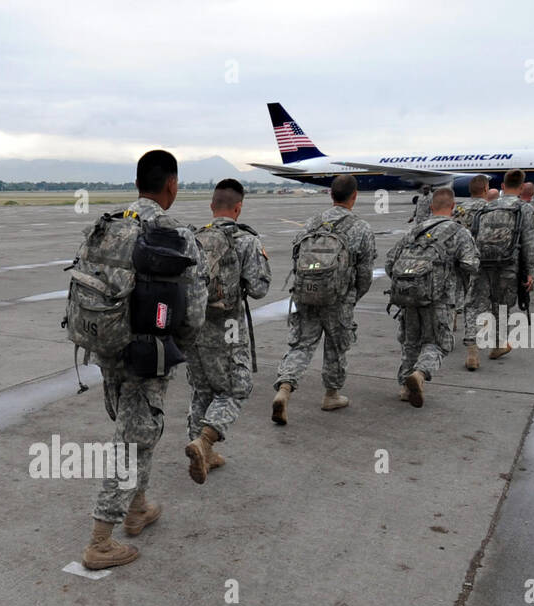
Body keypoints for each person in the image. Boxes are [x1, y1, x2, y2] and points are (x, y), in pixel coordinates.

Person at [81, 149, 207, 569]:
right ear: (171, 184)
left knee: (136, 428)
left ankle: (138, 507)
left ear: (137, 183)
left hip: (106, 344)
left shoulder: (106, 225)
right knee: (133, 441)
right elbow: (194, 310)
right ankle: (100, 540)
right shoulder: (176, 233)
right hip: (148, 352)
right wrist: (178, 349)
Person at [184, 179, 271, 482]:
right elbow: (259, 288)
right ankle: (205, 441)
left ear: (212, 206)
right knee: (237, 387)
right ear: (238, 208)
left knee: (202, 389)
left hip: (193, 328)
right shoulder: (246, 240)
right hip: (228, 328)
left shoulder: (192, 238)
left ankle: (204, 454)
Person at [272, 173, 376, 421]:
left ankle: (285, 388)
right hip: (338, 298)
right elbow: (365, 272)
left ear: (331, 194)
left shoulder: (312, 222)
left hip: (307, 293)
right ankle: (331, 395)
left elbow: (297, 256)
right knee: (336, 347)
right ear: (354, 196)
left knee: (302, 344)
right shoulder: (360, 227)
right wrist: (352, 296)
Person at [385, 188, 479, 407]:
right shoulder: (459, 232)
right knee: (439, 343)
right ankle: (420, 373)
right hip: (439, 299)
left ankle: (404, 388)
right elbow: (471, 265)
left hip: (408, 297)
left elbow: (391, 262)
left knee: (410, 343)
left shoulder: (415, 230)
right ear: (453, 207)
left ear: (431, 207)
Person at [470, 168, 534, 362]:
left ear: (502, 186)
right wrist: (531, 271)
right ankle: (498, 344)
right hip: (509, 264)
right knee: (502, 307)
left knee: (478, 304)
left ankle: (472, 346)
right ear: (522, 187)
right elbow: (530, 242)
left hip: (484, 262)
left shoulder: (487, 206)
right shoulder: (524, 208)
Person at [452, 174, 492, 370]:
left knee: (457, 294)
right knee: (477, 303)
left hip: (460, 260)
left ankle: (451, 320)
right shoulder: (490, 209)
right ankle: (473, 347)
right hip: (483, 262)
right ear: (485, 189)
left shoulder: (459, 209)